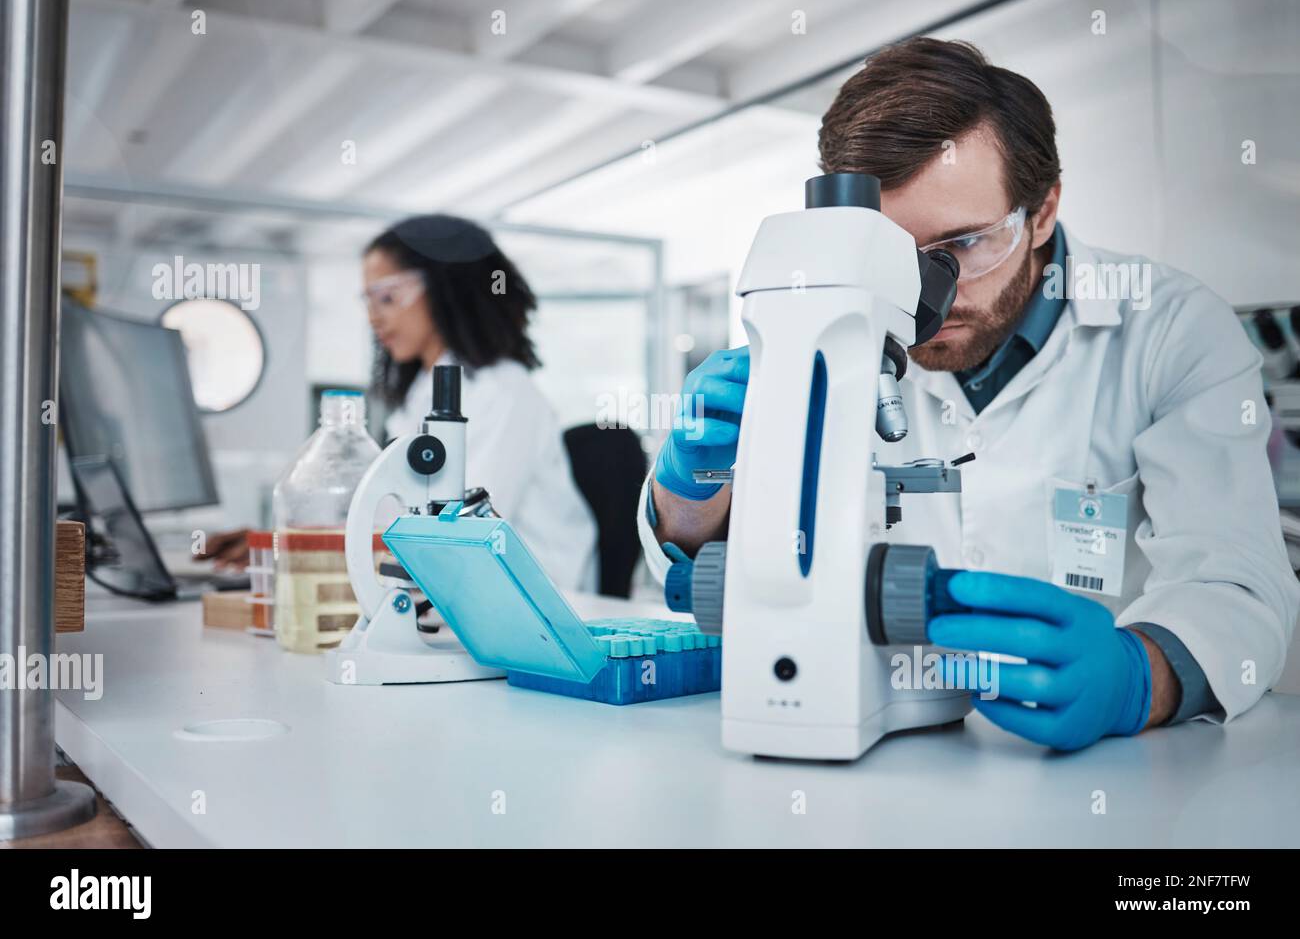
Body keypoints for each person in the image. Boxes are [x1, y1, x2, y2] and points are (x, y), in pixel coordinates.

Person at [640, 38, 1299, 751]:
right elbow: (708, 574)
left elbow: (1237, 587)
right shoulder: (832, 328)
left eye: (963, 245)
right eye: (894, 252)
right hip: (888, 756)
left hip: (1113, 776)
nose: (928, 294)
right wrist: (690, 483)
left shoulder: (1167, 326)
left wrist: (1139, 675)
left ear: (1042, 210)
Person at [203, 214, 597, 593]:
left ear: (446, 289)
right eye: (368, 301)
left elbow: (455, 532)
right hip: (452, 595)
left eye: (387, 297)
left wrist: (298, 548)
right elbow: (389, 516)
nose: (374, 318)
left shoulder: (505, 392)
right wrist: (283, 543)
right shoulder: (420, 394)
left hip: (538, 605)